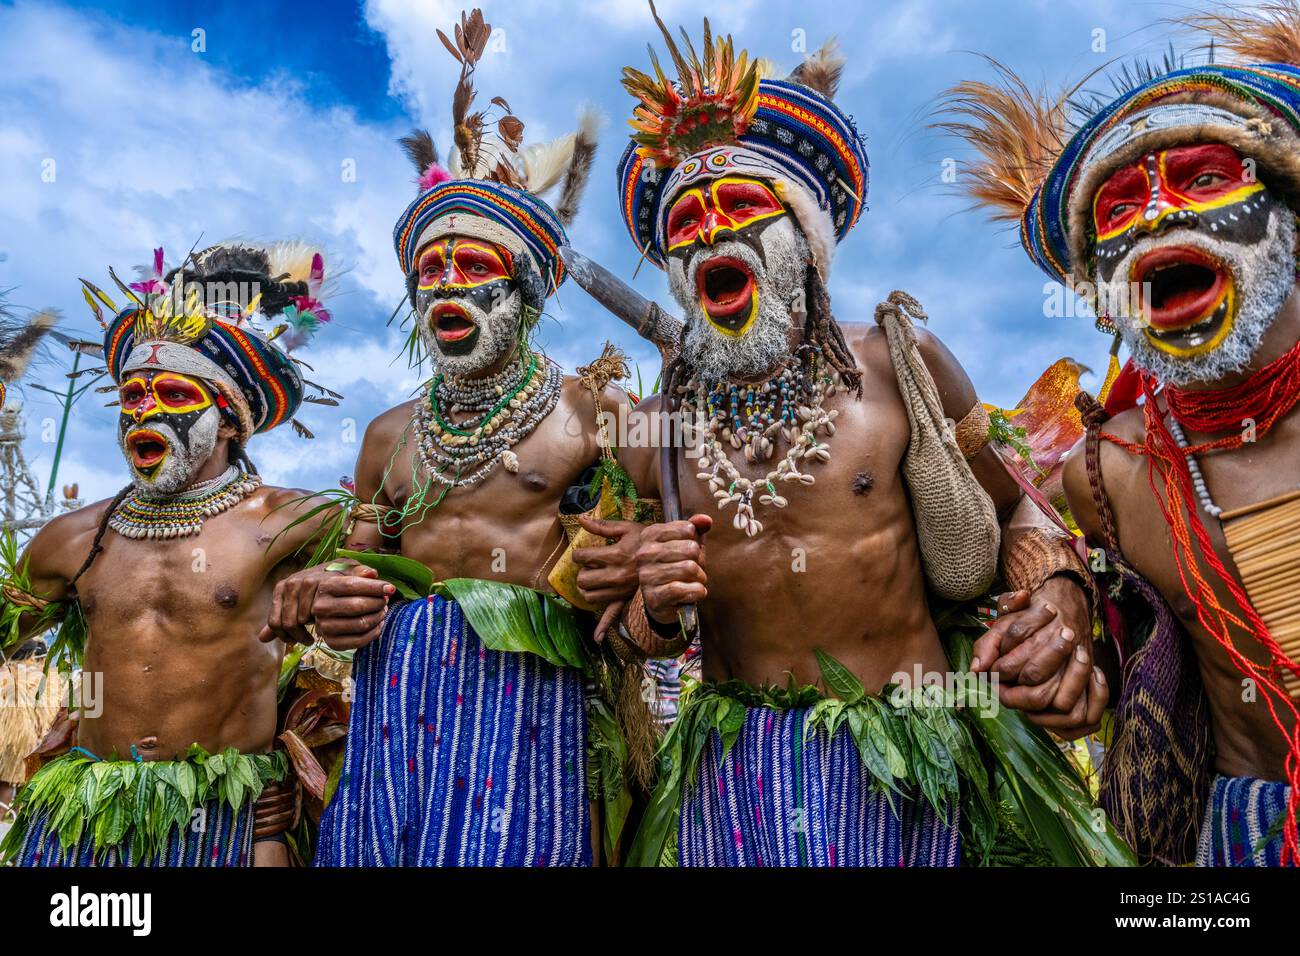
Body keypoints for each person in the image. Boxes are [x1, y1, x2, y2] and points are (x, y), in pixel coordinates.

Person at [610, 5, 1124, 867]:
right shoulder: (651, 432)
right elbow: (625, 622)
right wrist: (648, 609)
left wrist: (1059, 603)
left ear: (807, 241)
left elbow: (1024, 514)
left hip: (915, 751)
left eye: (739, 206)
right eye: (686, 228)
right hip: (740, 773)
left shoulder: (900, 364)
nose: (711, 238)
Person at [944, 5, 1300, 866]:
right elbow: (1111, 652)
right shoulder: (1111, 473)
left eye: (1205, 178)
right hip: (1245, 839)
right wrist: (1064, 618)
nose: (1154, 220)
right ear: (1102, 293)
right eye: (1120, 212)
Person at [295, 9, 647, 867]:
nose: (446, 283)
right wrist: (331, 604)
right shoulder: (387, 435)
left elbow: (657, 542)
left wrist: (629, 569)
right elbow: (358, 568)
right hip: (395, 706)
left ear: (523, 291)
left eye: (475, 268)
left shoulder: (592, 409)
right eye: (431, 272)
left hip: (532, 702)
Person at [0, 241, 339, 866]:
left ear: (231, 420)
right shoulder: (73, 538)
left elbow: (395, 577)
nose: (143, 413)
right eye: (132, 399)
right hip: (88, 816)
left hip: (229, 815)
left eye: (175, 397)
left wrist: (332, 575)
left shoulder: (292, 518)